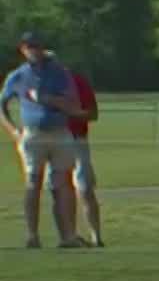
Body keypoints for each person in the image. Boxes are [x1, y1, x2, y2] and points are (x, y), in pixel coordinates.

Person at [0, 32, 82, 248]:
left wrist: (46, 99)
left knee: (63, 184)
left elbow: (73, 103)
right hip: (33, 134)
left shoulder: (59, 72)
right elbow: (2, 106)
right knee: (32, 183)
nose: (33, 51)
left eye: (36, 46)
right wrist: (13, 131)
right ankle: (32, 235)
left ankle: (68, 236)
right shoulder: (17, 76)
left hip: (59, 131)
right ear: (22, 50)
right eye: (29, 47)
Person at [63, 59, 103, 247]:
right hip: (53, 141)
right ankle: (70, 236)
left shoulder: (77, 82)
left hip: (77, 139)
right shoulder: (42, 83)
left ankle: (96, 236)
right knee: (62, 191)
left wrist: (69, 113)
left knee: (85, 189)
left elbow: (93, 113)